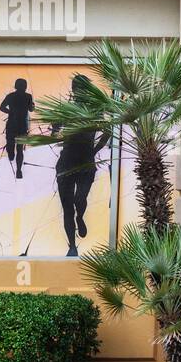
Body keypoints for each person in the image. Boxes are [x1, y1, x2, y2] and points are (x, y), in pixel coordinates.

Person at [53, 75, 110, 257]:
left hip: (86, 161)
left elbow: (108, 130)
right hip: (67, 161)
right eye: (77, 88)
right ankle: (72, 246)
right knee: (67, 207)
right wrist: (56, 128)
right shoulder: (66, 108)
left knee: (79, 200)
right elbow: (55, 130)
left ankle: (80, 216)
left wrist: (96, 149)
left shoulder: (95, 109)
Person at [0, 77, 35, 180]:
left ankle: (11, 155)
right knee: (20, 149)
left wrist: (10, 112)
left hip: (11, 124)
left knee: (10, 144)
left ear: (15, 86)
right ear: (25, 87)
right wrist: (33, 106)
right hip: (22, 126)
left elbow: (1, 107)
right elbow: (31, 109)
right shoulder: (28, 96)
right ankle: (19, 170)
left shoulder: (10, 96)